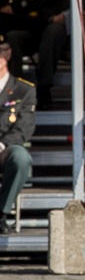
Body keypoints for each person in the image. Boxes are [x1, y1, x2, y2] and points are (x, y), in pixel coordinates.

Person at [0, 38, 35, 234]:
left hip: (4, 148)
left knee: (20, 158)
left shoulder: (23, 89)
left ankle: (1, 213)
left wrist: (2, 144)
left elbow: (24, 127)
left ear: (7, 56)